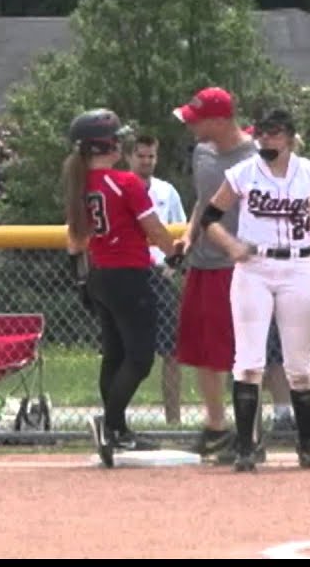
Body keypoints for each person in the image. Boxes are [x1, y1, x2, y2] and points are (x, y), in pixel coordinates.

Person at [197, 108, 310, 471]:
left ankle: (307, 444)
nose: (266, 139)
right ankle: (246, 449)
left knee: (300, 363)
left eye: (274, 132)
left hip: (297, 265)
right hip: (254, 268)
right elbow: (209, 218)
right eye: (262, 132)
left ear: (291, 137)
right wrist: (232, 246)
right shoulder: (244, 173)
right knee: (249, 362)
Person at [64, 108, 182, 467]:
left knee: (114, 355)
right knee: (140, 357)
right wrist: (173, 253)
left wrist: (81, 278)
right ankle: (111, 425)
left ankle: (118, 429)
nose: (121, 143)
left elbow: (76, 240)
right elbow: (155, 230)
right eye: (116, 138)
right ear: (106, 145)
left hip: (99, 274)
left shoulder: (80, 183)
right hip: (128, 274)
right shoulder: (125, 182)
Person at [172, 86, 256, 457]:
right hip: (203, 263)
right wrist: (189, 236)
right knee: (202, 350)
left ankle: (249, 433)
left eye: (198, 120)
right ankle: (216, 425)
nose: (192, 127)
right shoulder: (203, 153)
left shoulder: (254, 157)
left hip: (237, 268)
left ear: (221, 120)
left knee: (238, 354)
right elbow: (203, 202)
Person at [124, 135, 188, 425]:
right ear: (130, 157)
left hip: (160, 276)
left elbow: (180, 232)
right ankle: (116, 417)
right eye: (141, 156)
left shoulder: (167, 192)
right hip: (128, 274)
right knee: (124, 351)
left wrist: (173, 267)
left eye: (151, 156)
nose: (147, 161)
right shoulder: (120, 188)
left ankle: (173, 421)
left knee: (172, 352)